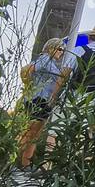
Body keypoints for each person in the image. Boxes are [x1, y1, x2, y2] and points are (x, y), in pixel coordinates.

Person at [18, 37, 70, 168]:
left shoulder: (49, 61)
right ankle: (15, 160)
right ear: (51, 48)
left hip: (40, 99)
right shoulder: (45, 59)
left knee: (35, 134)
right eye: (59, 49)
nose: (61, 52)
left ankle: (25, 163)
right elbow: (31, 70)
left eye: (62, 50)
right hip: (39, 99)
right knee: (30, 133)